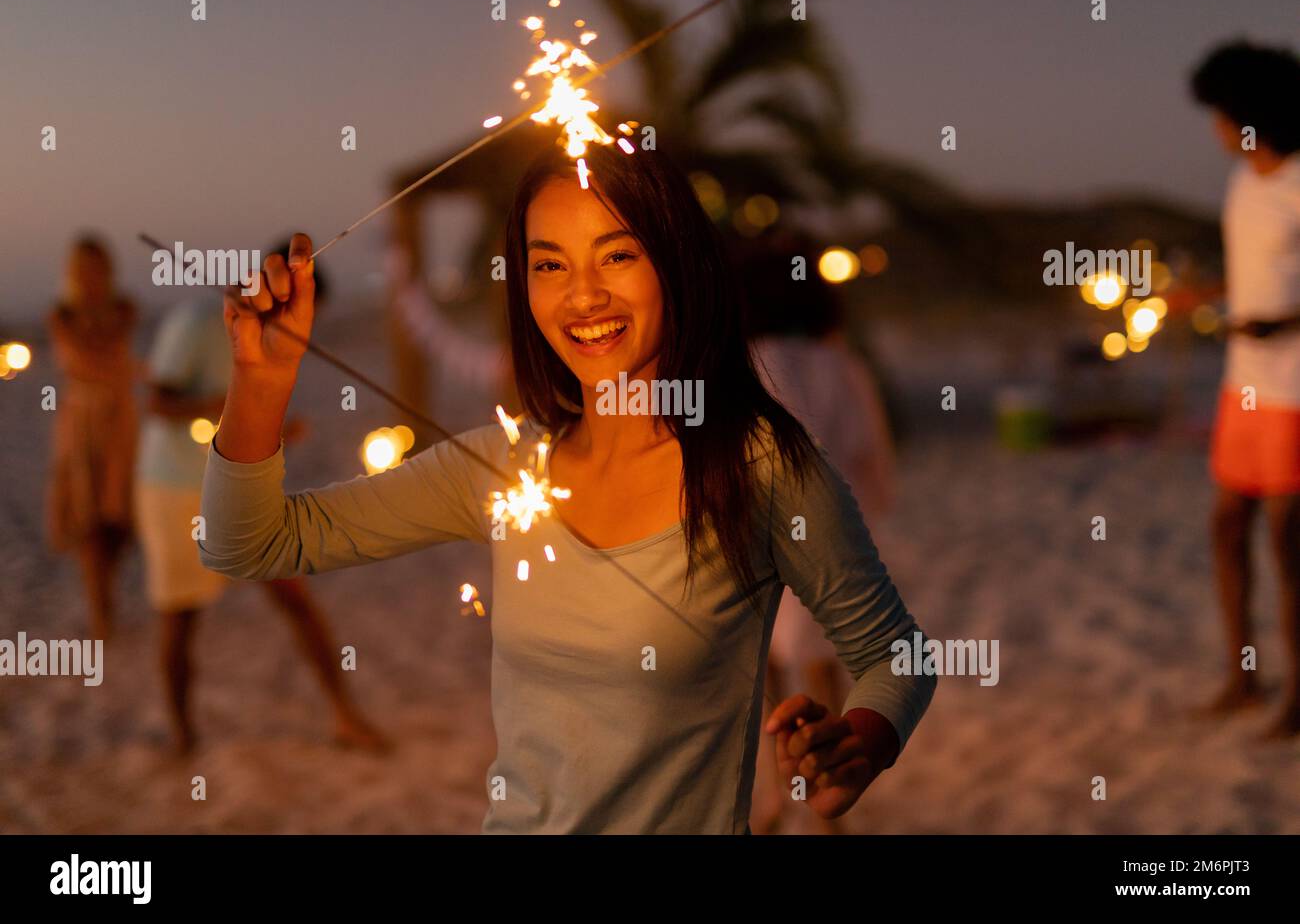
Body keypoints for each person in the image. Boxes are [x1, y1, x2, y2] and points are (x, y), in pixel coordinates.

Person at [199, 144, 936, 833]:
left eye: (616, 254)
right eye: (549, 265)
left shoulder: (758, 466)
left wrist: (858, 745)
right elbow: (248, 543)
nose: (583, 296)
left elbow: (895, 654)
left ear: (677, 264)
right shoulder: (501, 467)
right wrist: (260, 383)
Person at [135, 247, 383, 754]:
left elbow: (250, 413)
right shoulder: (197, 321)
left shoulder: (279, 337)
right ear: (272, 283)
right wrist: (234, 407)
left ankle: (345, 716)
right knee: (182, 619)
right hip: (177, 488)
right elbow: (158, 403)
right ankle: (183, 736)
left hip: (240, 482)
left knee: (296, 599)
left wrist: (272, 425)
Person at [745, 239, 898, 832]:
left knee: (771, 671)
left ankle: (783, 799)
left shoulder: (755, 357)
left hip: (770, 531)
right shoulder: (840, 361)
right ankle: (819, 803)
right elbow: (869, 449)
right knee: (818, 669)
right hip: (836, 534)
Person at [1192, 41, 1300, 737]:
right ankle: (1243, 673)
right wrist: (1200, 299)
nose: (1215, 128)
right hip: (1246, 387)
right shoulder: (1244, 184)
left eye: (1221, 113)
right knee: (1227, 527)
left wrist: (1280, 322)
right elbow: (1256, 276)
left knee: (1290, 543)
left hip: (1298, 390)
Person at [46, 236, 138, 641]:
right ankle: (100, 607)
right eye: (81, 268)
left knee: (118, 517)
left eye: (95, 266)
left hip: (120, 423)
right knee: (87, 519)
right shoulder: (62, 315)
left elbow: (110, 361)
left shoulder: (124, 309)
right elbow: (84, 361)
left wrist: (127, 372)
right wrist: (132, 371)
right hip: (81, 423)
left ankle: (108, 593)